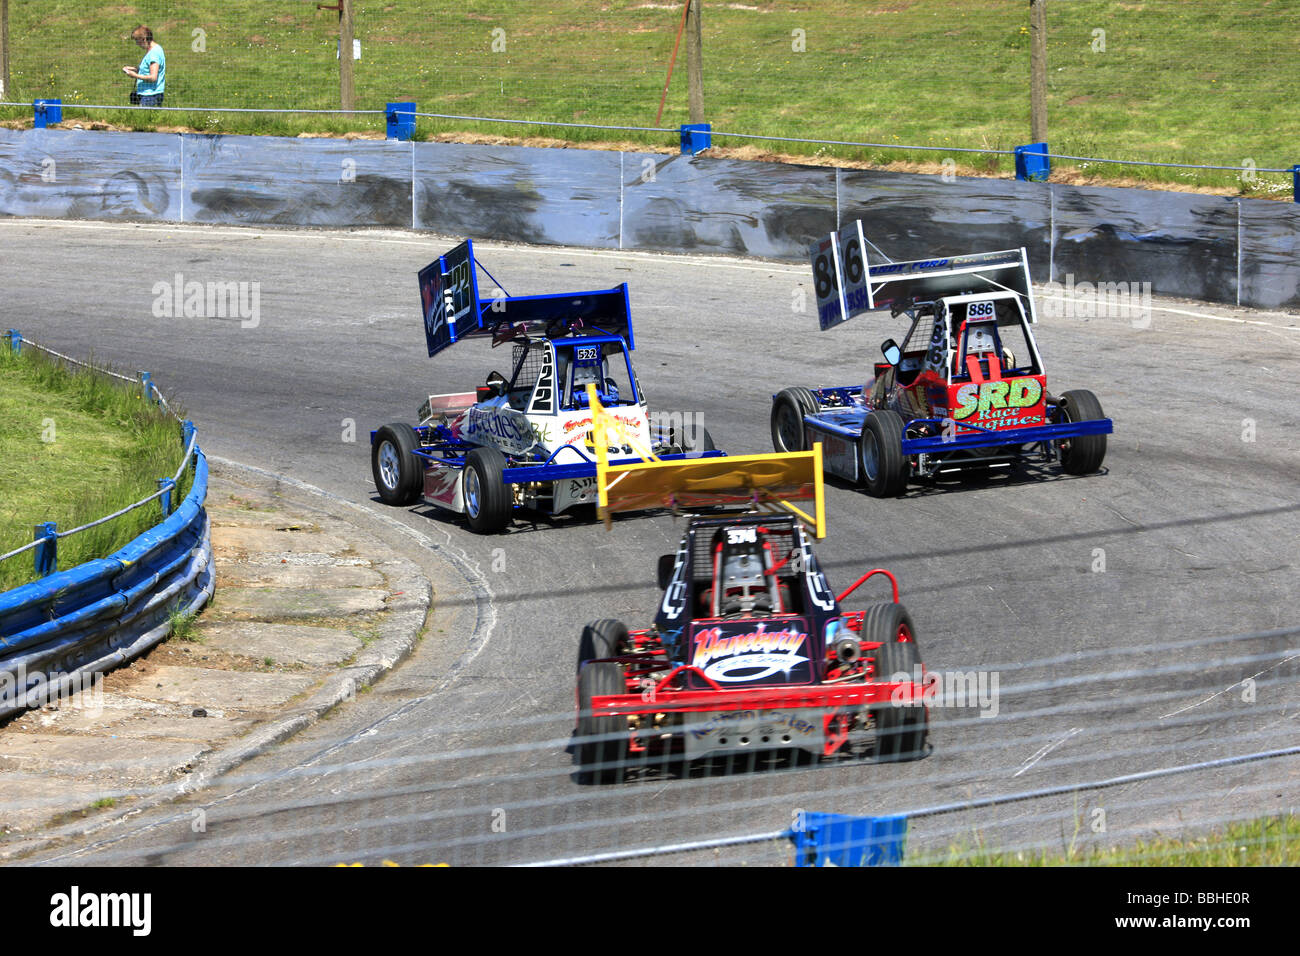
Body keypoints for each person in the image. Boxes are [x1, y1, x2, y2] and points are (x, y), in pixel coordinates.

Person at [122, 26, 165, 107]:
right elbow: (147, 69)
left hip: (150, 95)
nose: (137, 44)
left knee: (145, 118)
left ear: (144, 39)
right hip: (150, 93)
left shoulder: (154, 54)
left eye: (137, 41)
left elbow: (153, 77)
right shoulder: (155, 49)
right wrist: (132, 69)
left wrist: (135, 75)